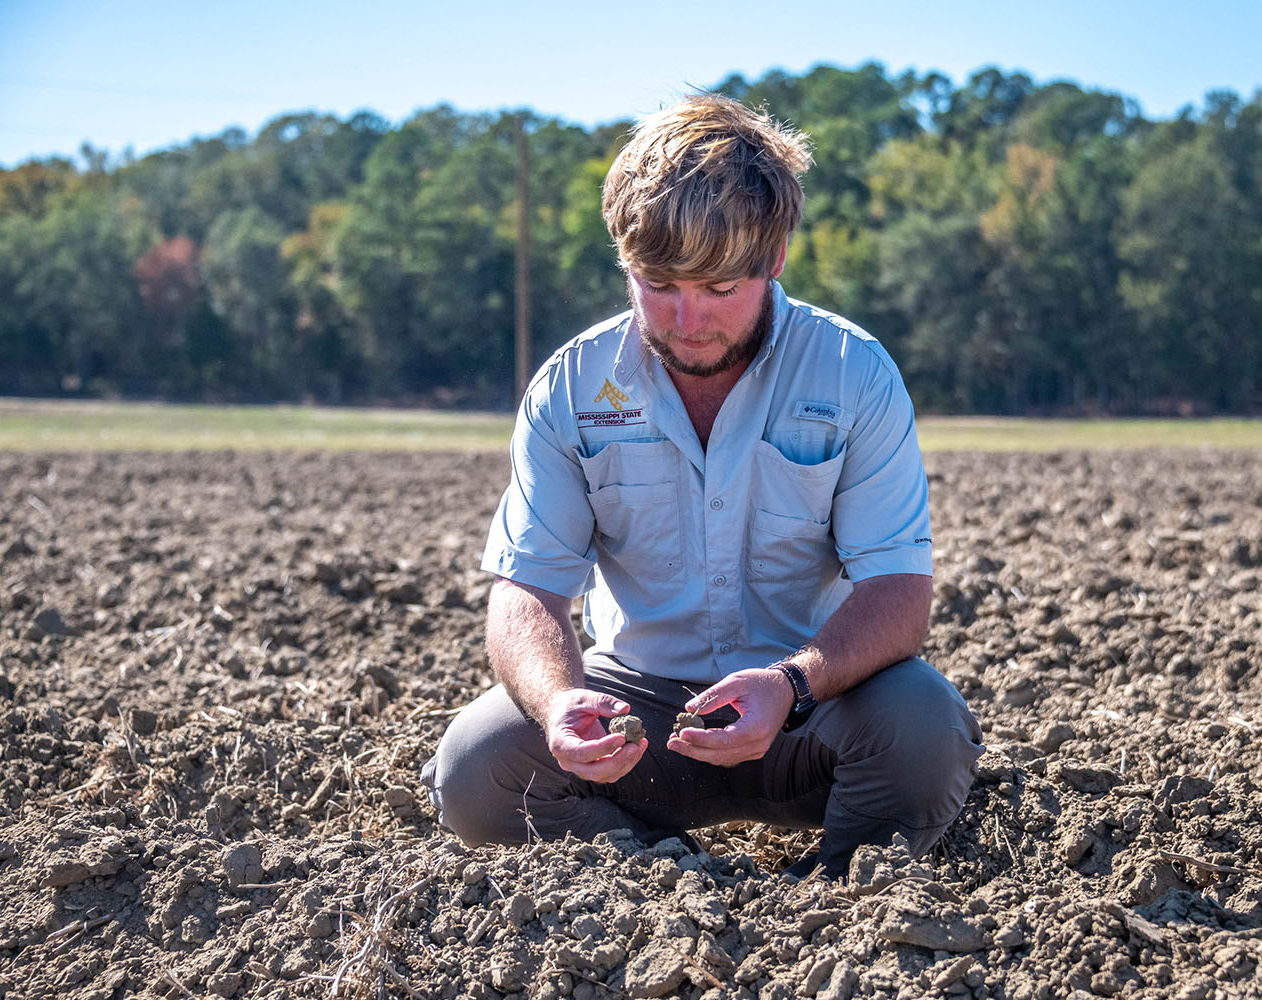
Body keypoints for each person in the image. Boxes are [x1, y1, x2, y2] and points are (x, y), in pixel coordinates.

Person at [420, 94, 982, 876]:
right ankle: (664, 875)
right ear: (624, 261)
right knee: (475, 768)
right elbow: (527, 592)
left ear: (776, 255)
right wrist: (558, 706)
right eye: (659, 284)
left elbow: (898, 588)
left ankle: (840, 894)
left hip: (811, 714)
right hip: (638, 725)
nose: (688, 320)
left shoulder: (854, 373)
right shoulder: (572, 387)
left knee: (926, 727)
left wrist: (792, 684)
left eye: (720, 288)